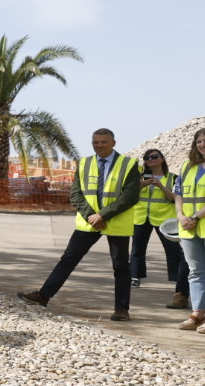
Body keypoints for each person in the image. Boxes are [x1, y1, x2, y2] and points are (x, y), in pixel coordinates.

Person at [20, 129, 140, 321]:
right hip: (89, 222)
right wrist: (92, 215)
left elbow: (131, 195)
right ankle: (43, 296)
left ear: (113, 143)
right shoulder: (85, 163)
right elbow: (76, 193)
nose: (99, 145)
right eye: (95, 142)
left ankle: (121, 309)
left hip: (116, 222)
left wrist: (103, 215)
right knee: (68, 258)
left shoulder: (129, 164)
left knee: (120, 266)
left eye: (103, 142)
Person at [131, 148, 190, 309]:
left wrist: (161, 186)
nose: (151, 159)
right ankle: (135, 276)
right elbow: (130, 195)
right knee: (137, 248)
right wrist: (142, 185)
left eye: (155, 156)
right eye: (147, 157)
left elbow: (175, 198)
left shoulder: (172, 178)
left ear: (162, 158)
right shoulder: (140, 177)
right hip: (141, 217)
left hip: (164, 219)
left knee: (173, 250)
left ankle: (178, 279)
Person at [174, 126, 205, 333]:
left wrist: (194, 217)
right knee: (195, 272)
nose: (203, 144)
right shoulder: (186, 167)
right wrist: (181, 216)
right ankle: (197, 313)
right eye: (199, 141)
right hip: (189, 228)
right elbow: (178, 194)